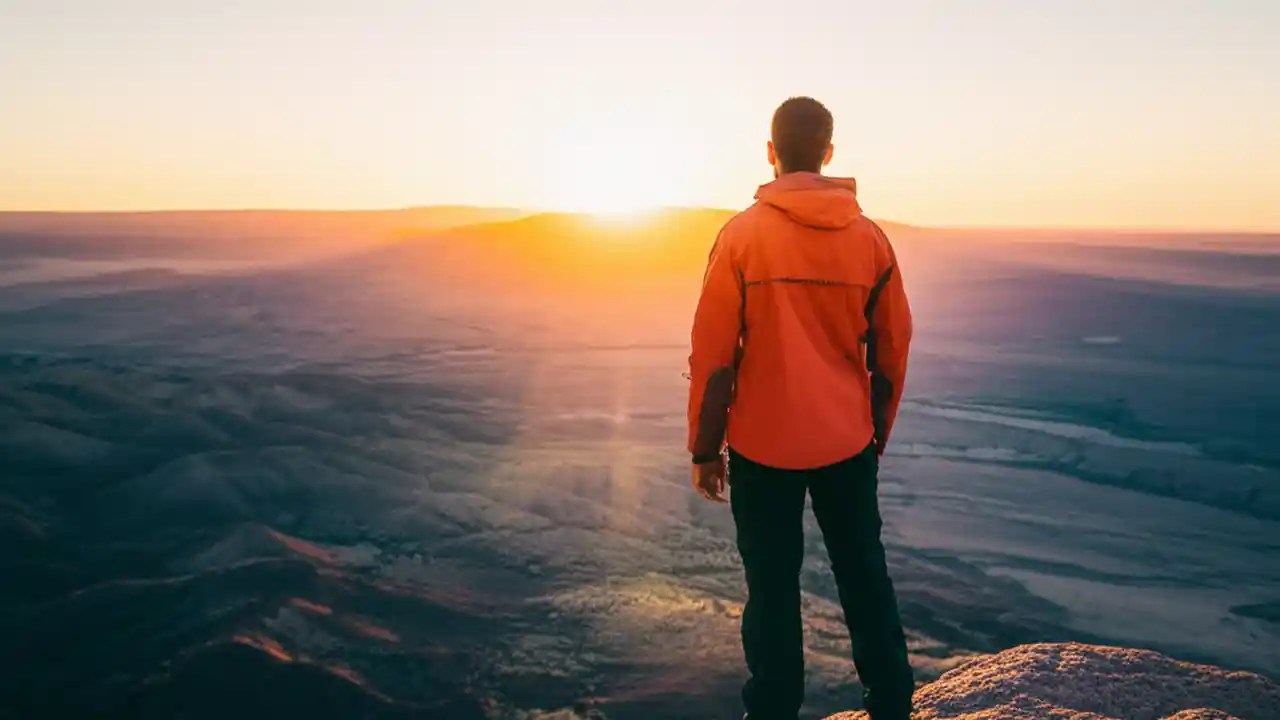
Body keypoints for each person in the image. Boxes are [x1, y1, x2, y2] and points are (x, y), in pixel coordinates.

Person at [686, 97, 914, 720]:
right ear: (829, 153)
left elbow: (713, 355)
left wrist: (706, 449)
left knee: (772, 592)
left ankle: (773, 712)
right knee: (865, 579)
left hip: (762, 446)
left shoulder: (742, 236)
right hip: (846, 442)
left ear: (771, 151)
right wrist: (874, 435)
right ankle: (893, 706)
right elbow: (892, 351)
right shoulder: (869, 240)